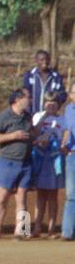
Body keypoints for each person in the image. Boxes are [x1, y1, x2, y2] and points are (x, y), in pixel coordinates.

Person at [0, 89, 37, 239]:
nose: (30, 99)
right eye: (28, 97)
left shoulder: (28, 116)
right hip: (8, 161)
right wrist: (13, 136)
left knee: (22, 197)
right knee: (2, 196)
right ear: (18, 99)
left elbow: (32, 132)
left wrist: (36, 135)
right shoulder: (4, 116)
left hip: (26, 161)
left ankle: (21, 231)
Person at [31, 96, 65, 238]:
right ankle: (37, 227)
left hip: (54, 158)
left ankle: (51, 228)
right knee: (40, 194)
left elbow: (64, 136)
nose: (51, 106)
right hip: (39, 156)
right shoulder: (38, 116)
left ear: (58, 105)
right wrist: (43, 117)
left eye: (54, 104)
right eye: (48, 103)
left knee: (53, 194)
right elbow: (34, 133)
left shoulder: (62, 119)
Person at [22, 49, 66, 121]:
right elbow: (25, 93)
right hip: (31, 115)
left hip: (50, 117)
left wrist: (55, 106)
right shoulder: (29, 75)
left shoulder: (56, 77)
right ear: (36, 60)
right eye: (41, 60)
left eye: (47, 59)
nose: (45, 62)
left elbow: (62, 94)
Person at [62, 97, 75, 240]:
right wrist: (64, 142)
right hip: (72, 155)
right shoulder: (68, 110)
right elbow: (67, 129)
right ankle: (67, 232)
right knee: (71, 196)